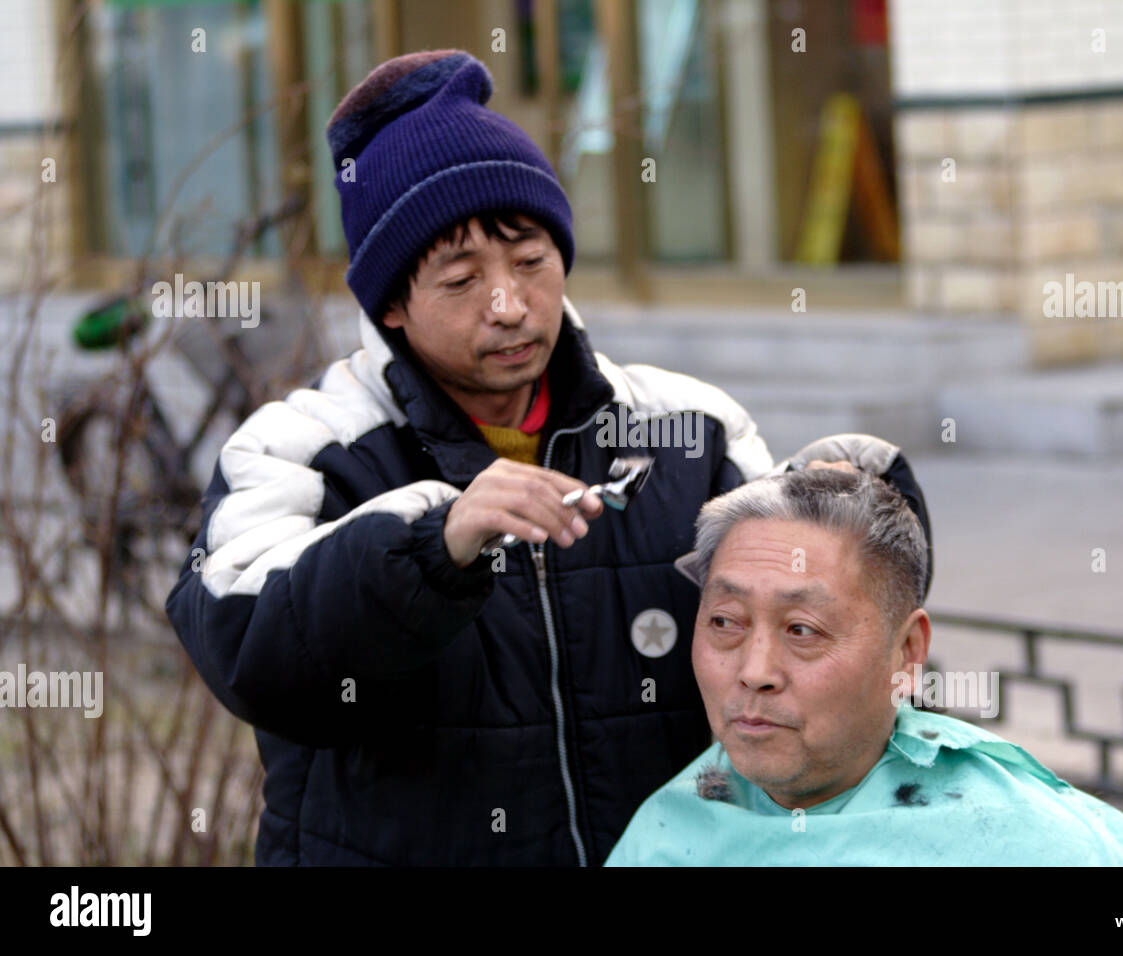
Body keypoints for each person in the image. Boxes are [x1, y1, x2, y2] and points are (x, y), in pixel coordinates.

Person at [164, 49, 933, 866]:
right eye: (461, 280)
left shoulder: (685, 428)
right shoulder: (302, 450)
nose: (509, 305)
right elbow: (247, 651)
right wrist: (437, 545)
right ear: (390, 304)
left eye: (530, 262)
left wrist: (861, 504)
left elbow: (797, 617)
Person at [605, 466, 1123, 866]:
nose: (754, 671)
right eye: (726, 622)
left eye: (802, 630)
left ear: (907, 653)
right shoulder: (667, 830)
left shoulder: (1020, 834)